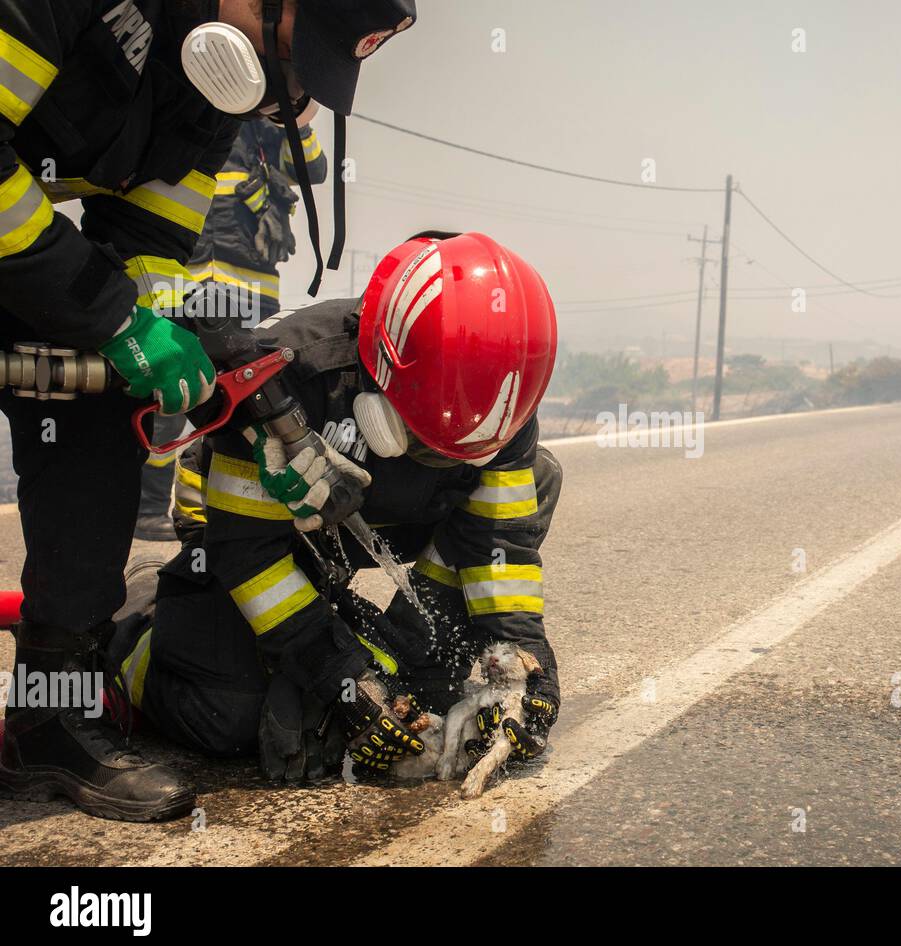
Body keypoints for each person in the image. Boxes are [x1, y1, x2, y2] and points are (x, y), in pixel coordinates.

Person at [0, 0, 417, 822]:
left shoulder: (212, 85)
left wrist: (139, 327)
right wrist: (114, 315)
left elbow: (147, 239)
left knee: (98, 433)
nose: (281, 93)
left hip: (22, 244)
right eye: (294, 54)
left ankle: (50, 723)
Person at [113, 233, 562, 783]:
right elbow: (250, 560)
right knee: (228, 717)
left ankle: (404, 654)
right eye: (424, 444)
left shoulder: (498, 399)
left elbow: (500, 547)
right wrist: (341, 676)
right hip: (251, 535)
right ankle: (136, 626)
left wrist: (522, 655)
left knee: (427, 695)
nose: (444, 462)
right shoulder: (282, 380)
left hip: (375, 523)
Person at [135, 114, 329, 542]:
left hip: (252, 288)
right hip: (192, 282)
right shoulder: (196, 108)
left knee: (257, 401)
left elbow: (313, 169)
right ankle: (148, 510)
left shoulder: (269, 129)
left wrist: (298, 119)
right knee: (174, 391)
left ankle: (234, 508)